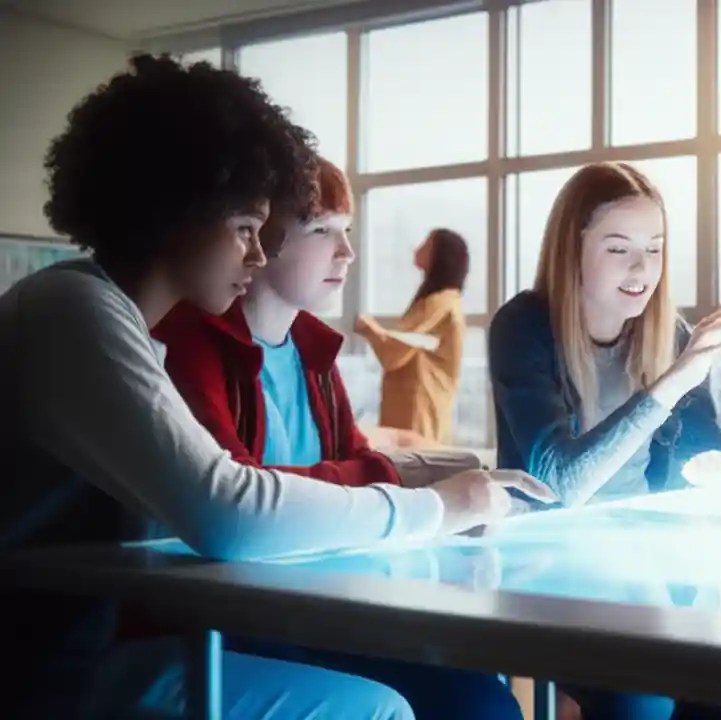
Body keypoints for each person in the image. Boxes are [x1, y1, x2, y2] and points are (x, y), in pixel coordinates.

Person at [0, 54, 539, 718]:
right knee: (381, 708)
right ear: (176, 212)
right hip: (49, 670)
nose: (258, 255)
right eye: (245, 230)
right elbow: (228, 509)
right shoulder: (72, 310)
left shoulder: (119, 322)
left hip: (90, 646)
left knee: (463, 695)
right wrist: (438, 507)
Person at [153, 157, 546, 718]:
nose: (347, 252)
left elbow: (354, 461)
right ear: (258, 235)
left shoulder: (312, 348)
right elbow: (244, 494)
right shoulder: (193, 344)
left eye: (348, 230)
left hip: (322, 603)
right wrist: (404, 484)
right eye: (321, 230)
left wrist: (399, 481)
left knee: (481, 700)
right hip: (233, 617)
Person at [488, 161, 721, 719]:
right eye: (619, 249)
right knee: (644, 698)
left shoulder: (669, 333)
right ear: (573, 250)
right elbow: (562, 483)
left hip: (642, 554)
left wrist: (718, 468)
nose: (641, 269)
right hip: (549, 561)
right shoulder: (524, 326)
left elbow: (705, 451)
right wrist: (671, 383)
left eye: (654, 249)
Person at [356, 228, 469, 446]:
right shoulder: (438, 301)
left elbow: (394, 352)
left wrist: (368, 328)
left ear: (441, 256)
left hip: (418, 412)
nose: (417, 249)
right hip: (412, 409)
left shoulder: (440, 303)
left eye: (427, 244)